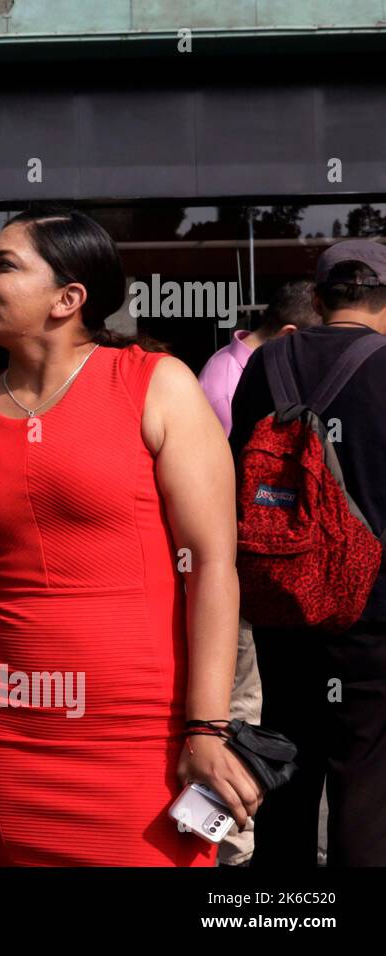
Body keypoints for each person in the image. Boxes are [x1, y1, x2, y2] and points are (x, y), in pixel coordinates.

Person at [0, 206, 259, 866]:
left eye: (5, 265)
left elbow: (214, 565)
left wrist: (206, 725)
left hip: (145, 732)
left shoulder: (154, 385)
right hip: (8, 726)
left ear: (68, 299)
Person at [228, 240, 386, 867]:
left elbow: (235, 473)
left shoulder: (266, 364)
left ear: (317, 301)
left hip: (282, 601)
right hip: (370, 613)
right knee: (367, 778)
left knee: (286, 760)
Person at [197, 280, 319, 866]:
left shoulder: (231, 365)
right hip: (237, 573)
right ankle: (234, 848)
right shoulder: (233, 379)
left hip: (242, 571)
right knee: (240, 706)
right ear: (294, 333)